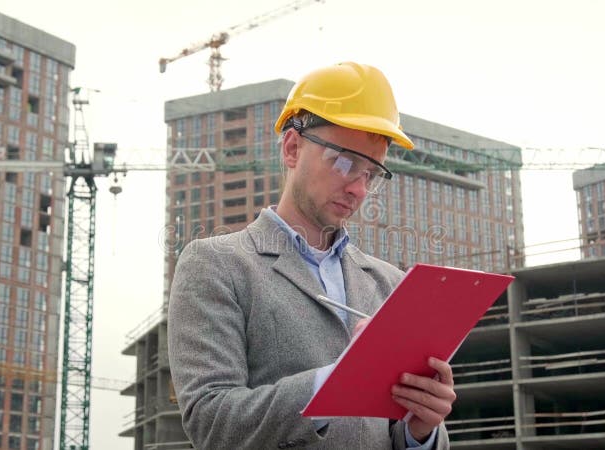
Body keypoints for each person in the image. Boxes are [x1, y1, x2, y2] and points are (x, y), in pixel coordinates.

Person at [168, 61, 455, 450]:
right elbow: (211, 421)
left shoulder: (390, 283)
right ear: (292, 148)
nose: (358, 189)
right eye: (345, 161)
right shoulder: (217, 265)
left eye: (371, 174)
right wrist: (336, 381)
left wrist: (420, 431)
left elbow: (390, 431)